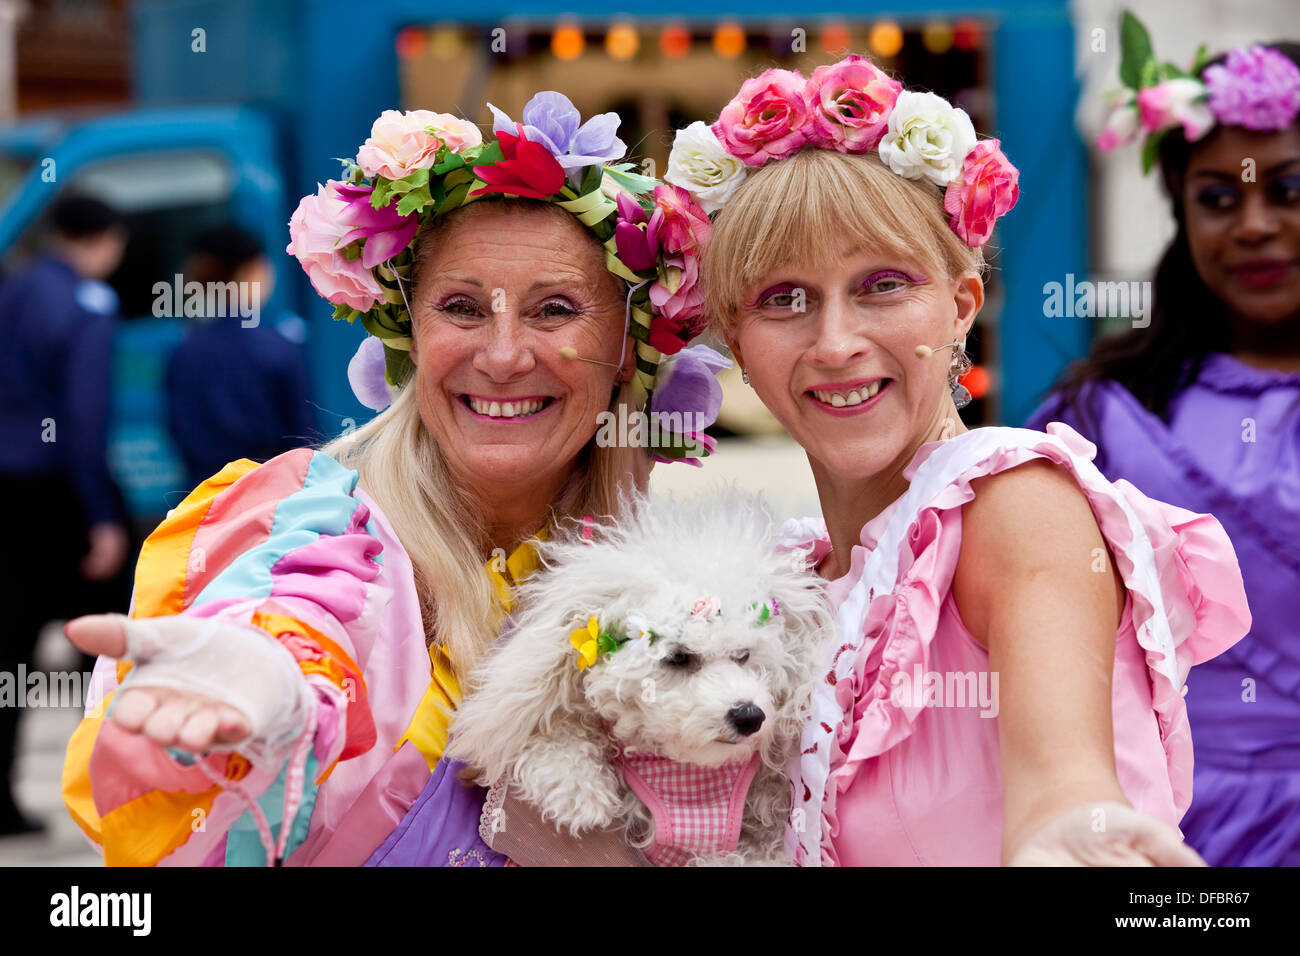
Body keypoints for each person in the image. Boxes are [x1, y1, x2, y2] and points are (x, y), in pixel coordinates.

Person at [60, 95, 721, 866]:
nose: (503, 356)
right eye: (462, 307)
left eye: (555, 310)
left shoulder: (666, 578)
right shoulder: (313, 520)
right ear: (411, 332)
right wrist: (265, 688)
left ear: (624, 348)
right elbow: (290, 616)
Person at [670, 54, 1253, 865]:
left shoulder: (1012, 501)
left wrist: (1069, 828)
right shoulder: (789, 576)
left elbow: (1064, 779)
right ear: (737, 340)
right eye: (785, 299)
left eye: (881, 285)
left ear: (960, 308)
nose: (836, 342)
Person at [1026, 15, 1300, 866]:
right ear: (1182, 215)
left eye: (1288, 189)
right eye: (1217, 198)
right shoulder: (1104, 414)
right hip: (1170, 827)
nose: (1252, 224)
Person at [0, 194, 130, 836]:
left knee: (11, 647)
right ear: (104, 239)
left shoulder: (16, 290)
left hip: (7, 486)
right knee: (116, 642)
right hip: (56, 495)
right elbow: (82, 422)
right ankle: (122, 799)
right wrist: (102, 515)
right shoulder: (87, 305)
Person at [164, 224, 314, 492]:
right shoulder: (277, 345)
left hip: (203, 498)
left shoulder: (184, 351)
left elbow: (177, 432)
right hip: (271, 496)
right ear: (253, 269)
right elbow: (305, 439)